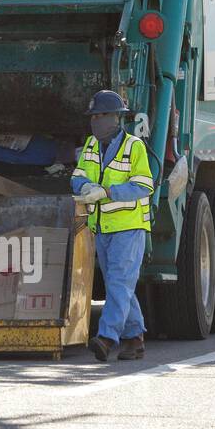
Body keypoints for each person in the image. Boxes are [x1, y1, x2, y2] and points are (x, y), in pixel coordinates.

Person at [71, 90, 155, 362]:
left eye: (100, 115)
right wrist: (85, 186)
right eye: (93, 116)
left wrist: (106, 192)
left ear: (115, 118)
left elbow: (144, 186)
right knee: (119, 285)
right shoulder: (91, 146)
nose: (95, 121)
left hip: (129, 227)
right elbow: (77, 176)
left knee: (119, 282)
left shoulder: (134, 146)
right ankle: (135, 338)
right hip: (102, 228)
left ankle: (107, 338)